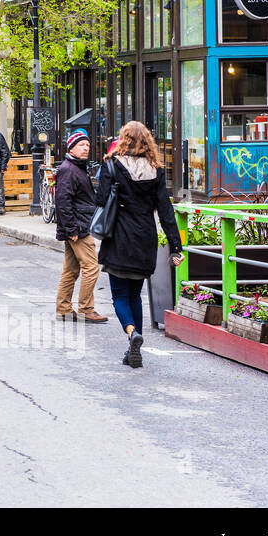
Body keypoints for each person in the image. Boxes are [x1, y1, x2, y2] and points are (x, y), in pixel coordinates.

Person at [95, 120, 185, 369]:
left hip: (119, 238)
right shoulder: (156, 170)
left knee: (119, 295)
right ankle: (135, 348)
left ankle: (131, 332)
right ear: (147, 141)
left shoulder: (112, 165)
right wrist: (176, 246)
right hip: (145, 237)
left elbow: (100, 199)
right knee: (136, 294)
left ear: (123, 139)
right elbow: (166, 211)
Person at [53, 130, 107, 323]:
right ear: (71, 148)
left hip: (78, 224)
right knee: (91, 267)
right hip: (79, 227)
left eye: (88, 146)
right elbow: (63, 201)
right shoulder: (69, 169)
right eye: (81, 145)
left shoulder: (76, 167)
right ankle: (86, 308)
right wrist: (72, 230)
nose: (86, 148)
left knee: (71, 270)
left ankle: (64, 309)